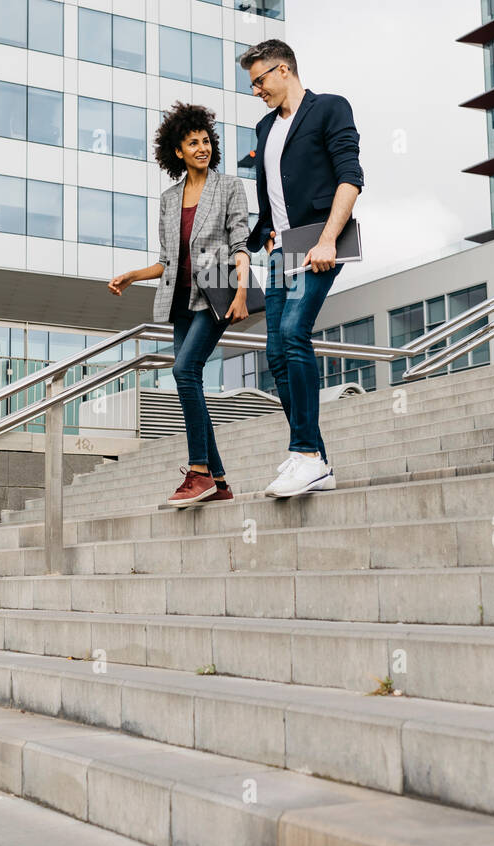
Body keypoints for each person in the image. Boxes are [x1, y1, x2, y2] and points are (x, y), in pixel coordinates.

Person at [109, 102, 250, 508]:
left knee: (184, 369)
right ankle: (219, 482)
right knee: (191, 381)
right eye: (193, 142)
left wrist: (241, 291)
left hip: (218, 291)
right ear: (178, 151)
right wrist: (132, 275)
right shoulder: (169, 199)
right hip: (180, 299)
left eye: (206, 141)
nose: (202, 148)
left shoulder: (229, 188)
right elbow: (169, 260)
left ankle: (199, 472)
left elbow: (240, 245)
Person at [241, 40, 364, 498]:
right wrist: (267, 233)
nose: (256, 90)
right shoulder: (263, 128)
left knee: (294, 332)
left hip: (322, 240)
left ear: (284, 69)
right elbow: (271, 190)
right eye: (252, 84)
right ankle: (313, 459)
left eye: (260, 80)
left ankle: (308, 456)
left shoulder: (330, 108)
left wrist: (328, 238)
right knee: (275, 354)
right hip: (281, 250)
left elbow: (350, 176)